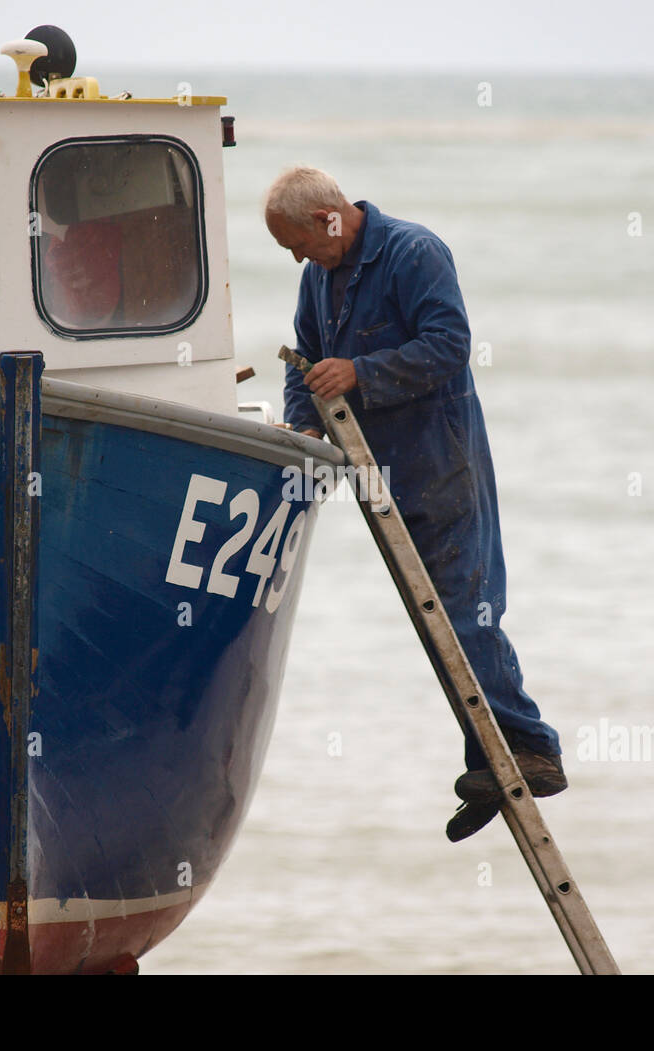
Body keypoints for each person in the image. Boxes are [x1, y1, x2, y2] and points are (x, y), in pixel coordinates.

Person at [265, 166, 566, 842]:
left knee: (465, 608)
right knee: (436, 624)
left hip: (441, 460)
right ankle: (490, 761)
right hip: (377, 469)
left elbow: (450, 345)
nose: (295, 259)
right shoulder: (318, 278)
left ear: (327, 219)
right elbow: (302, 363)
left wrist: (361, 373)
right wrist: (304, 425)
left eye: (297, 244)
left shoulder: (415, 252)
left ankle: (532, 750)